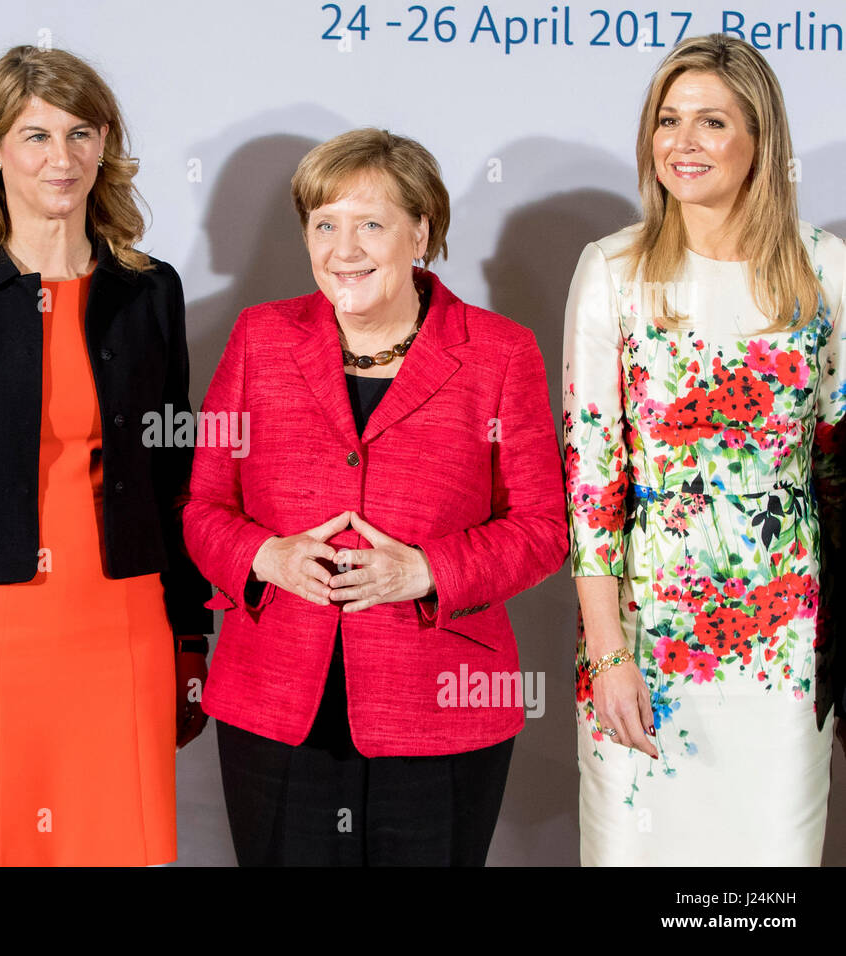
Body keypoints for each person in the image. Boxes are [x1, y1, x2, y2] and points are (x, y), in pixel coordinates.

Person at [182, 128, 568, 866]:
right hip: (276, 707)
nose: (344, 248)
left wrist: (427, 571)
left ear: (420, 231)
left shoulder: (500, 352)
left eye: (370, 224)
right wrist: (265, 555)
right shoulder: (260, 339)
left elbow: (544, 527)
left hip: (440, 707)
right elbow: (202, 507)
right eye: (324, 224)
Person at [0, 45, 212, 867]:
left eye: (81, 133)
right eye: (35, 136)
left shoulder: (148, 289)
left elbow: (175, 480)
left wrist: (190, 639)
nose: (62, 159)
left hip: (122, 626)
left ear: (105, 146)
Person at [562, 34, 845, 865]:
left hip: (787, 650)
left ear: (760, 140)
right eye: (668, 120)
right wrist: (609, 654)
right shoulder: (613, 270)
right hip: (645, 640)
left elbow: (839, 465)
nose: (681, 142)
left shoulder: (826, 271)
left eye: (710, 121)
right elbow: (590, 483)